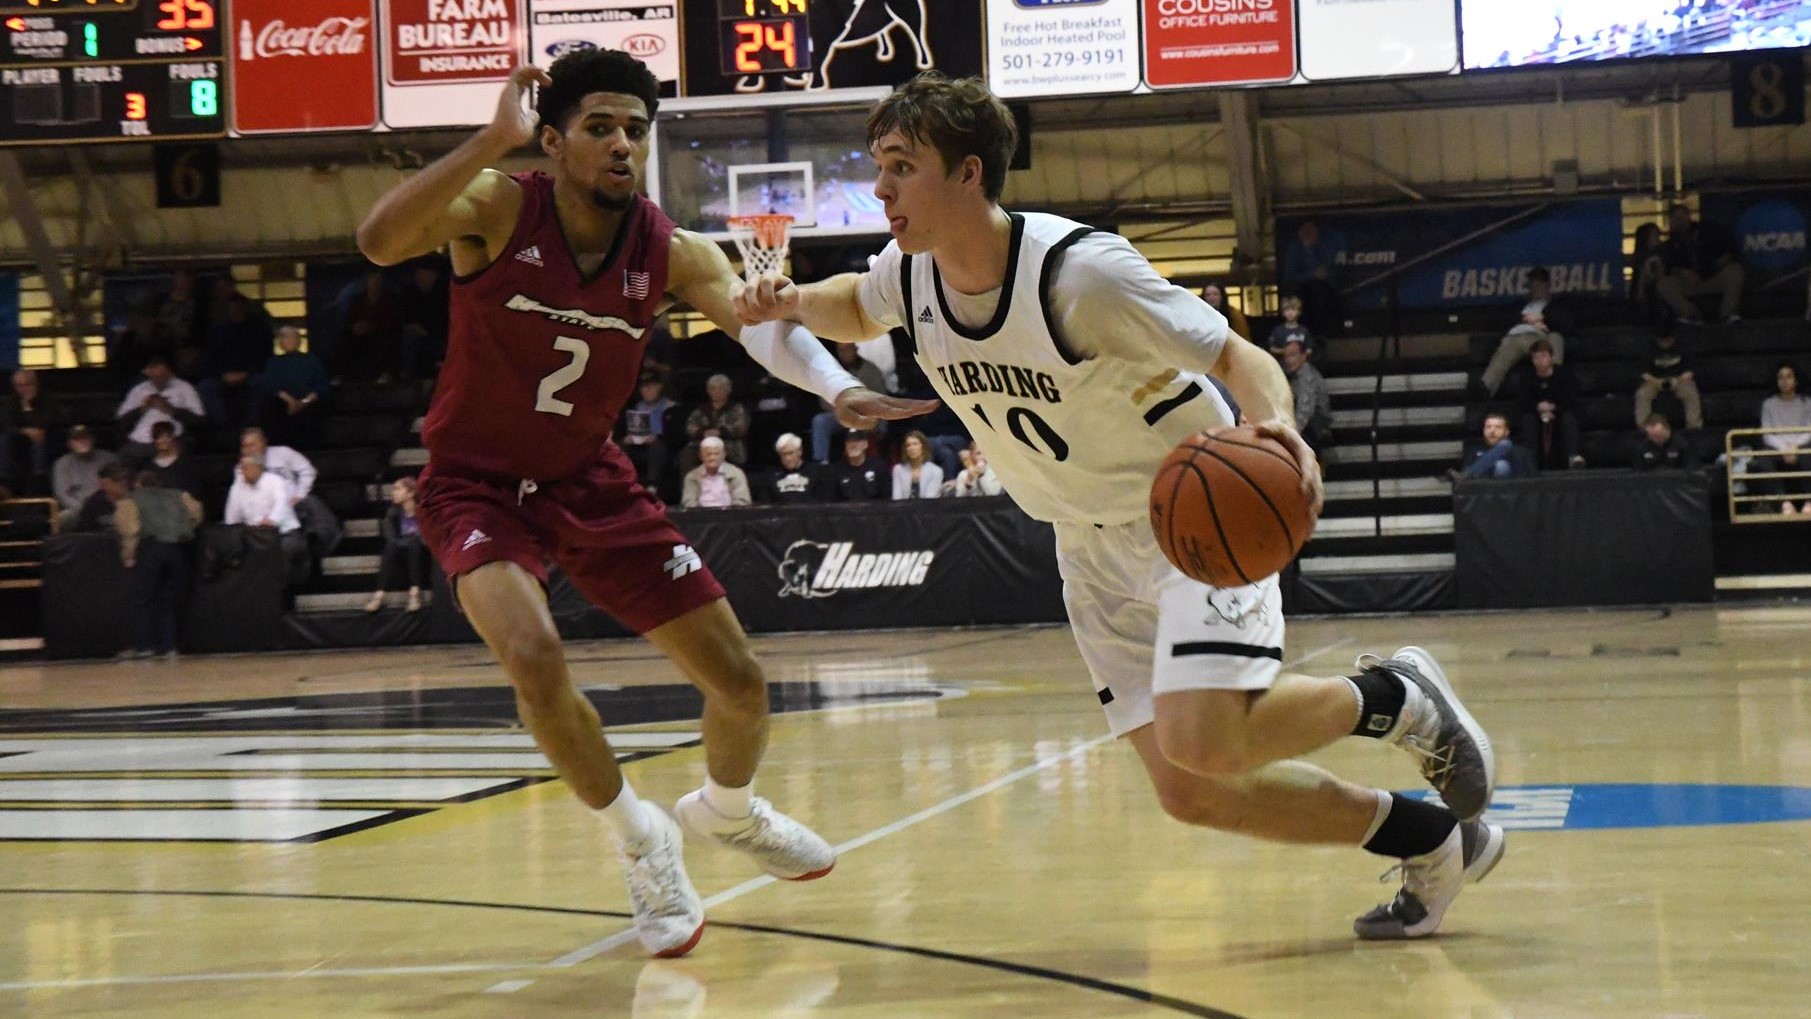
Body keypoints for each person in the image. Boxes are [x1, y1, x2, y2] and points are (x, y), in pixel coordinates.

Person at [738, 72, 1501, 941]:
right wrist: (795, 300)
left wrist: (1279, 428)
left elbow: (1237, 356)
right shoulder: (908, 274)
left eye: (901, 166)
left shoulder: (1083, 274)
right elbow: (859, 305)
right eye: (878, 165)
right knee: (1190, 790)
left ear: (968, 174)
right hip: (1083, 540)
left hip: (1190, 521)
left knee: (1208, 738)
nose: (879, 188)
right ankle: (1431, 839)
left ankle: (1395, 695)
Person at [354, 52, 931, 956]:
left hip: (591, 480)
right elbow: (380, 241)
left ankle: (728, 811)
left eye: (634, 129)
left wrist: (831, 389)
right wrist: (490, 141)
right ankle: (641, 836)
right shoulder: (500, 204)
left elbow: (761, 330)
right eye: (598, 127)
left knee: (740, 683)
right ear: (552, 141)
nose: (622, 143)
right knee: (534, 653)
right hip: (476, 485)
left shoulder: (668, 248)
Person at [114, 470, 202, 660]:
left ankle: (145, 646)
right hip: (178, 551)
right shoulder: (180, 495)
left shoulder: (130, 500)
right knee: (167, 601)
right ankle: (169, 647)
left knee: (142, 599)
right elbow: (196, 513)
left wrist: (128, 553)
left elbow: (132, 528)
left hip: (150, 550)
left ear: (138, 484)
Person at [1478, 266, 1577, 397]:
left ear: (1547, 285)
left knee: (1556, 338)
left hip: (1545, 337)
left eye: (1539, 284)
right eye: (1532, 284)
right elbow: (1509, 323)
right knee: (1508, 345)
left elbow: (1565, 325)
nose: (1535, 288)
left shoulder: (1556, 305)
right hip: (1522, 338)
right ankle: (1487, 386)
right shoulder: (1521, 305)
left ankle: (1553, 384)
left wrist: (1544, 317)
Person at [1655, 204, 1744, 325]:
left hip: (1713, 277)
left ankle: (1727, 314)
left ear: (1689, 218)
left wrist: (1718, 264)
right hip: (1689, 284)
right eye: (1676, 218)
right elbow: (1667, 267)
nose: (1680, 222)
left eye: (1683, 217)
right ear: (1670, 221)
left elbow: (1729, 251)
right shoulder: (1669, 246)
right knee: (1664, 284)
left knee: (1735, 271)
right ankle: (1691, 315)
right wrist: (1681, 272)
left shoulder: (1707, 232)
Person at [1508, 338, 1583, 471]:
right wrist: (1538, 408)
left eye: (1543, 356)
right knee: (1527, 420)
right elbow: (1524, 401)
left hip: (1559, 413)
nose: (1539, 360)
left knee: (1569, 418)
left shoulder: (1563, 375)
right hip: (1536, 415)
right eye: (1535, 357)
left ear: (1551, 356)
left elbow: (1570, 400)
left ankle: (1573, 457)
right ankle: (1530, 462)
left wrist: (1554, 408)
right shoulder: (1528, 377)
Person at [117, 357, 204, 467]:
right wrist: (142, 408)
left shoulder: (184, 388)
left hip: (170, 438)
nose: (158, 380)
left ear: (170, 373)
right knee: (125, 456)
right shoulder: (138, 389)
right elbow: (122, 421)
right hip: (140, 440)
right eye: (154, 377)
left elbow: (199, 420)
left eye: (161, 376)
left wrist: (170, 409)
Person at [811, 342, 888, 462]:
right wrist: (842, 409)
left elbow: (881, 397)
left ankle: (878, 463)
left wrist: (861, 410)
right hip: (840, 414)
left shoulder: (870, 370)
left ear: (855, 349)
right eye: (840, 350)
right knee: (820, 421)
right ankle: (821, 462)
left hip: (866, 414)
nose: (844, 353)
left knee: (883, 421)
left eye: (847, 349)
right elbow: (823, 400)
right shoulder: (832, 370)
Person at [366, 475, 431, 614]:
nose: (393, 493)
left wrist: (413, 540)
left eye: (397, 489)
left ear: (410, 493)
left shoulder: (424, 512)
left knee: (414, 542)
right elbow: (391, 537)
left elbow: (429, 538)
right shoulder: (393, 513)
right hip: (400, 553)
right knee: (391, 546)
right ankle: (379, 595)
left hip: (422, 555)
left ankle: (415, 594)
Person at [1754, 363, 1811, 514]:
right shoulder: (1769, 404)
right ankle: (1784, 502)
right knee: (1763, 458)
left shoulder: (1807, 403)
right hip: (1778, 448)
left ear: (1796, 380)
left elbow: (1809, 431)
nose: (1784, 381)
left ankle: (1809, 501)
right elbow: (1767, 434)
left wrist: (1795, 446)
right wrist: (1783, 448)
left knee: (1808, 455)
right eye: (1781, 377)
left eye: (1788, 377)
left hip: (1801, 446)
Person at [261, 325, 330, 449]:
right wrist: (291, 401)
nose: (286, 340)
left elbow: (321, 387)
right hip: (282, 405)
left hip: (308, 404)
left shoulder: (312, 360)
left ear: (299, 340)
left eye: (290, 337)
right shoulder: (274, 362)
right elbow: (271, 385)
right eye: (283, 337)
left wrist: (303, 403)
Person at [1633, 327, 1702, 430]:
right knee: (1642, 394)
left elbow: (1691, 370)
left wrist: (1678, 380)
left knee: (1691, 393)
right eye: (1662, 341)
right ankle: (1643, 428)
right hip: (1654, 380)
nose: (1665, 343)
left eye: (1668, 340)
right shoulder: (1648, 348)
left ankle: (1694, 428)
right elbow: (1643, 372)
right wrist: (1657, 381)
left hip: (1680, 379)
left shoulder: (1684, 346)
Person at [50, 424, 117, 531]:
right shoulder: (62, 463)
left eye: (85, 438)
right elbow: (62, 494)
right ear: (69, 443)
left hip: (107, 507)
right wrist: (85, 509)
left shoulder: (109, 459)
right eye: (76, 439)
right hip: (78, 509)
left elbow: (118, 486)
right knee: (61, 519)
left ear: (93, 439)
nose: (82, 442)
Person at [1281, 340, 1333, 459]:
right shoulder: (1294, 375)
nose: (1288, 360)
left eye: (1292, 355)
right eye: (1286, 356)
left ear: (1304, 356)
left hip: (1315, 426)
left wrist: (1291, 435)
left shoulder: (1307, 376)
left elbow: (1305, 410)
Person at [1450, 412, 1532, 480]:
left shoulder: (1520, 451)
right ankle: (1469, 474)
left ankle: (1469, 473)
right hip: (1482, 491)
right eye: (1488, 427)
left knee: (1503, 457)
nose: (1492, 431)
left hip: (1512, 490)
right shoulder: (1473, 451)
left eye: (1498, 427)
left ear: (1506, 432)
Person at [680, 436, 751, 509]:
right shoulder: (692, 477)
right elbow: (689, 503)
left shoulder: (736, 474)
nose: (712, 458)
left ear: (724, 455)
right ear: (701, 456)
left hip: (730, 517)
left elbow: (743, 502)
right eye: (708, 454)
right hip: (701, 517)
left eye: (716, 454)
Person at [754, 433, 825, 504]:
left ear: (800, 451)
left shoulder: (815, 472)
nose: (788, 458)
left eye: (791, 453)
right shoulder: (771, 476)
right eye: (783, 454)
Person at [826, 428, 887, 500]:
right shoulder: (836, 470)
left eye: (857, 441)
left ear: (865, 444)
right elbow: (831, 502)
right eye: (849, 441)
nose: (853, 445)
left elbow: (886, 497)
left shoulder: (878, 466)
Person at [1632, 414, 1697, 472]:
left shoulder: (1683, 444)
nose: (1656, 440)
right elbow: (1639, 472)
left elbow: (1691, 470)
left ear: (1668, 430)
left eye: (1658, 436)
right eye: (1652, 436)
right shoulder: (1642, 447)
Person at [891, 430, 944, 499]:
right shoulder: (898, 469)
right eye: (908, 445)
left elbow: (930, 499)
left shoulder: (936, 471)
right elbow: (896, 497)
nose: (911, 448)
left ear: (923, 447)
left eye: (915, 444)